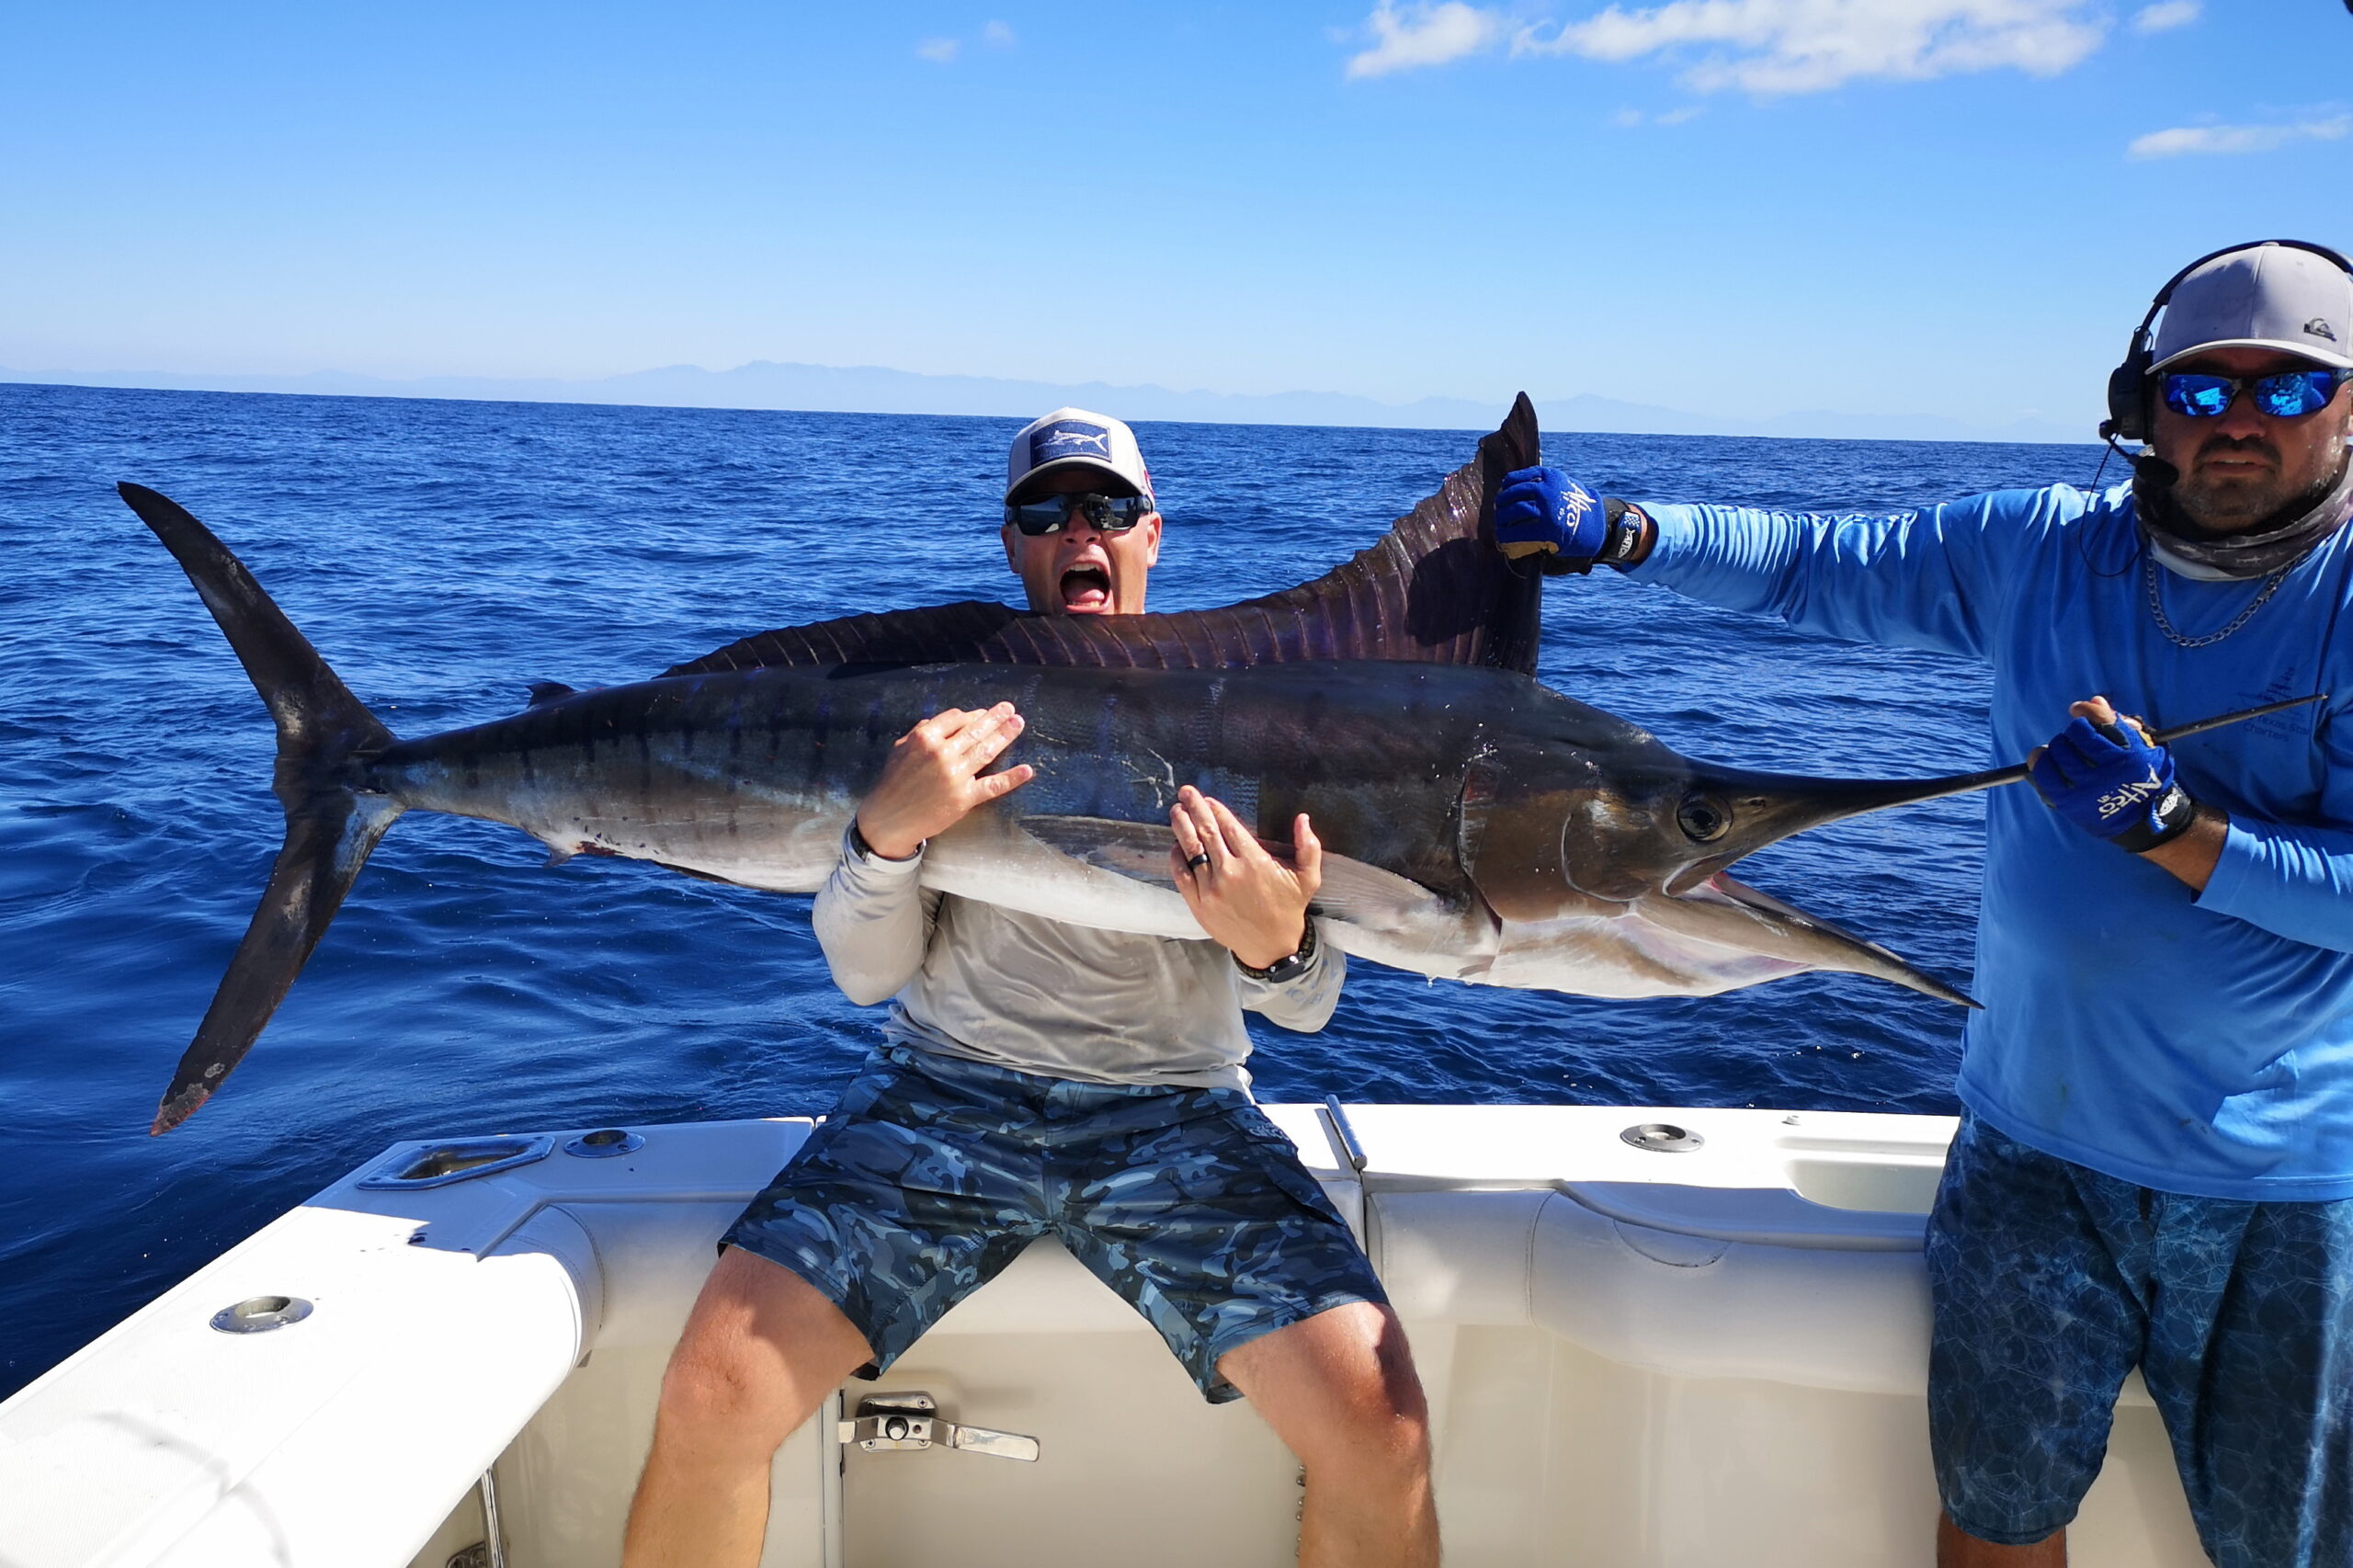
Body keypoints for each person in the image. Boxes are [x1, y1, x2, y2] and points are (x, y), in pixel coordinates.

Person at [1495, 240, 2353, 1568]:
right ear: (2141, 407)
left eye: (2289, 390)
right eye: (2201, 389)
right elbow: (1815, 563)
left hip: (2291, 1187)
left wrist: (2179, 832)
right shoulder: (2042, 551)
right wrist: (1624, 533)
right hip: (2033, 1157)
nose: (2238, 418)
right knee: (1994, 1522)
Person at [623, 408, 1437, 1568]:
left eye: (1105, 509)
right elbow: (868, 975)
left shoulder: (1247, 717)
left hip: (1176, 1114)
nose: (1078, 532)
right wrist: (882, 841)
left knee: (1380, 1421)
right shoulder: (949, 720)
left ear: (1151, 533)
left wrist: (1277, 945)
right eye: (1045, 513)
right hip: (942, 1094)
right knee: (714, 1389)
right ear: (1013, 546)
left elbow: (1306, 1005)